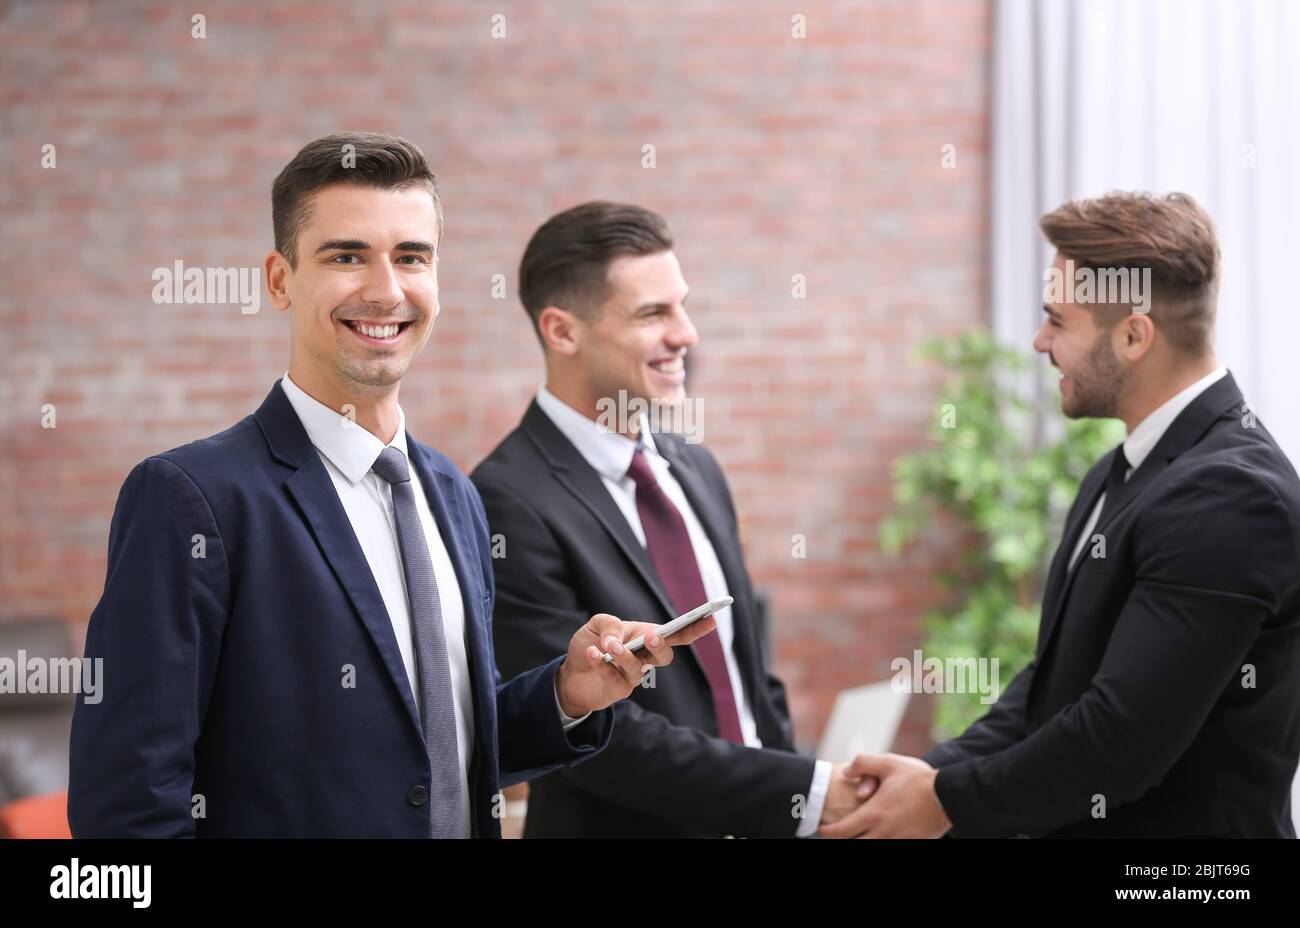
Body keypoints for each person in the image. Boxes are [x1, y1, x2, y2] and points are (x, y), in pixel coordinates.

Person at [68, 133, 714, 838]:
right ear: (281, 280)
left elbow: (434, 758)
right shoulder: (192, 498)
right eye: (347, 256)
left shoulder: (453, 494)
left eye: (412, 257)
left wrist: (566, 693)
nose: (386, 290)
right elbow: (125, 810)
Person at [823, 192, 1300, 838]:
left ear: (1134, 335)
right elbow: (1053, 686)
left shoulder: (1232, 497)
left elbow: (1117, 742)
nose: (1039, 341)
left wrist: (943, 802)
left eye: (1057, 321)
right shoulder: (1122, 469)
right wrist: (927, 778)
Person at [472, 201, 866, 837]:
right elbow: (604, 739)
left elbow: (750, 681)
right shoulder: (503, 500)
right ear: (562, 331)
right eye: (653, 313)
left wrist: (796, 808)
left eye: (681, 306)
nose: (686, 334)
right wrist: (816, 791)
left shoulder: (694, 467)